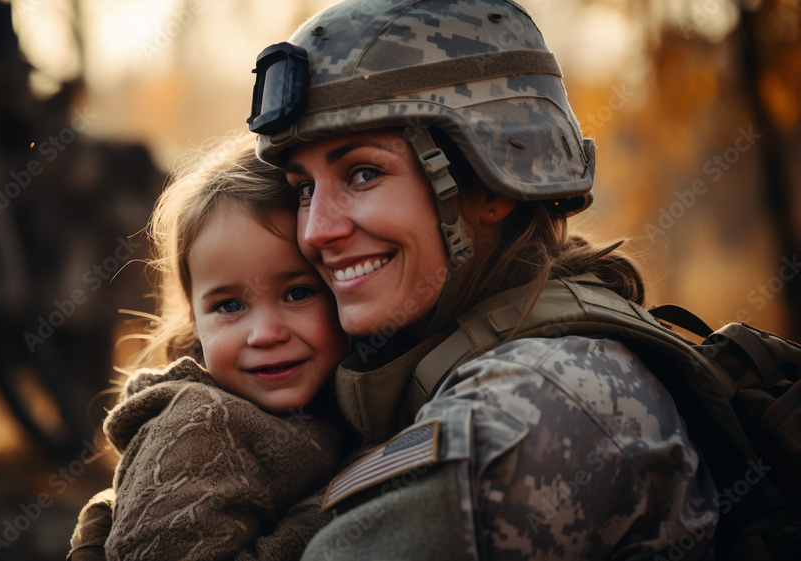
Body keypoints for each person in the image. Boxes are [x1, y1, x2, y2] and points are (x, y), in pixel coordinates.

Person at [243, 0, 720, 559]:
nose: (316, 232)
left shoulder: (529, 403)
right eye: (305, 188)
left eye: (363, 173)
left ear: (490, 188)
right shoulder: (444, 359)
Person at [68, 134, 351, 561]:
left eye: (297, 293)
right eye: (230, 305)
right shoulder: (201, 429)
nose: (265, 334)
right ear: (195, 326)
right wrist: (329, 519)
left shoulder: (341, 407)